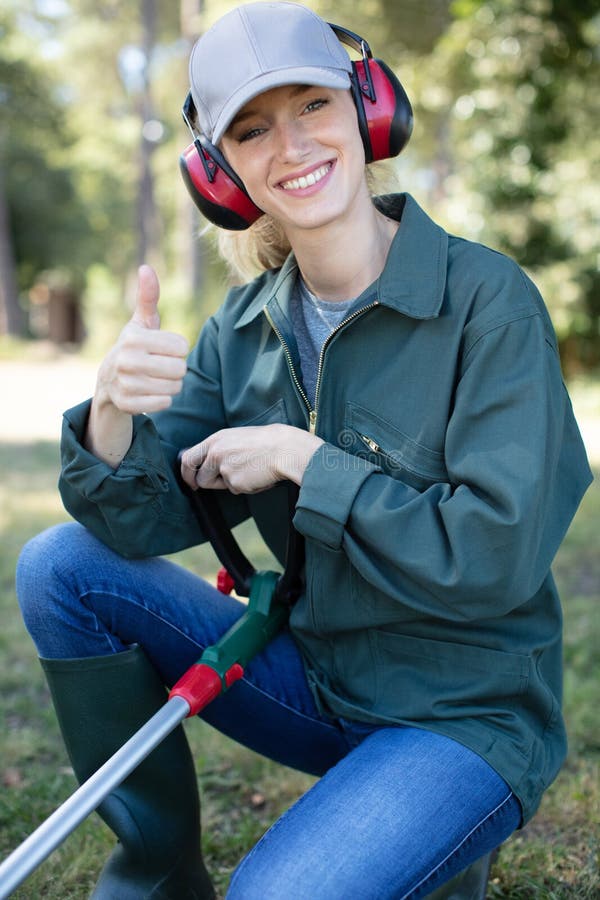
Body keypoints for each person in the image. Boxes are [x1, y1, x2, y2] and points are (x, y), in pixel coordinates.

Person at [16, 2, 592, 898]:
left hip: (462, 715)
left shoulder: (488, 301)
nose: (291, 147)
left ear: (368, 109)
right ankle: (158, 876)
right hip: (316, 681)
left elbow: (497, 556)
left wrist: (303, 458)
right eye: (252, 129)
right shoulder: (240, 329)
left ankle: (437, 817)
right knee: (61, 567)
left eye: (313, 107)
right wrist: (113, 417)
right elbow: (140, 521)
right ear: (221, 171)